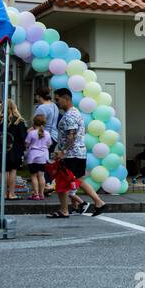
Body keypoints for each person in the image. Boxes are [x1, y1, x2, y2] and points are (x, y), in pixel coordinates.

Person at [51, 88, 105, 217]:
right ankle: (98, 202)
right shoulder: (75, 113)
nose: (56, 102)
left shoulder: (70, 115)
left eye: (58, 99)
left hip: (72, 154)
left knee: (62, 182)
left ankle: (64, 210)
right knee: (79, 180)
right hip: (77, 153)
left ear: (66, 99)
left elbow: (72, 135)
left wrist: (63, 151)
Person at [0, 101, 28, 200]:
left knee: (2, 170)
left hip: (1, 149)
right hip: (15, 150)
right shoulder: (19, 121)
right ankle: (11, 193)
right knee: (13, 170)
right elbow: (24, 137)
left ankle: (3, 193)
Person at [24, 113, 52, 201]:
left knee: (33, 176)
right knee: (41, 176)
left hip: (33, 157)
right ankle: (41, 193)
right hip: (43, 157)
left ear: (34, 123)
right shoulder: (47, 133)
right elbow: (49, 144)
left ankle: (35, 194)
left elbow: (26, 144)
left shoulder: (31, 133)